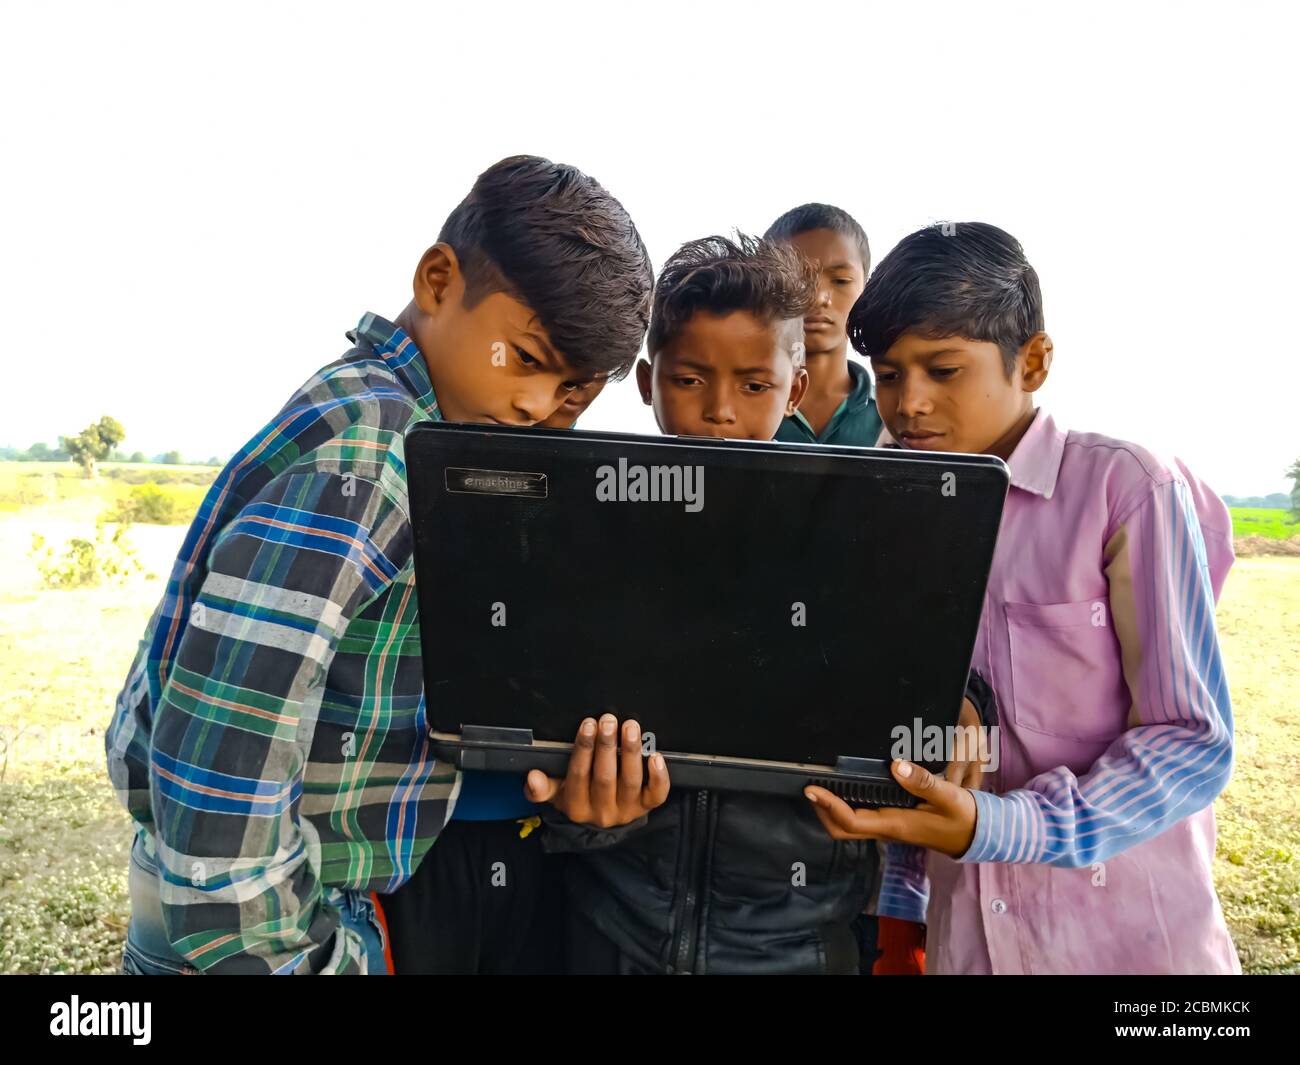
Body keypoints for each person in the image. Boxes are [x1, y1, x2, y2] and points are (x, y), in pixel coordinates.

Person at [107, 155, 667, 975]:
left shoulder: (416, 434)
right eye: (526, 357)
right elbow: (224, 757)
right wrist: (296, 958)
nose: (538, 406)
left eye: (575, 391)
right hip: (247, 933)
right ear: (439, 280)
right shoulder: (372, 454)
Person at [807, 221, 1240, 975]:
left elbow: (1192, 740)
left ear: (1033, 361)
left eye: (943, 370)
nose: (909, 403)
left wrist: (1003, 825)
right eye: (891, 374)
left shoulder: (1125, 490)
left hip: (1131, 943)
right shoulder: (888, 503)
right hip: (967, 940)